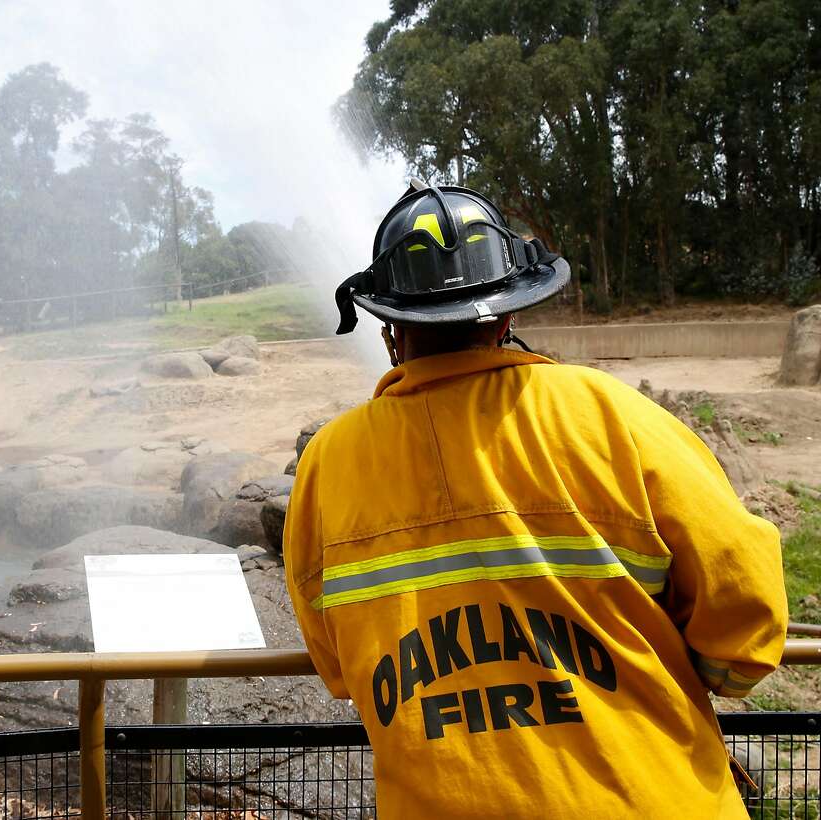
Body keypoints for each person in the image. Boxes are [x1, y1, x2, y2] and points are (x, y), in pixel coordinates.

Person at [283, 180, 787, 818]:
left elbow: (336, 660)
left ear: (389, 327)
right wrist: (704, 675)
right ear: (508, 314)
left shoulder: (328, 462)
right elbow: (746, 608)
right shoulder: (610, 415)